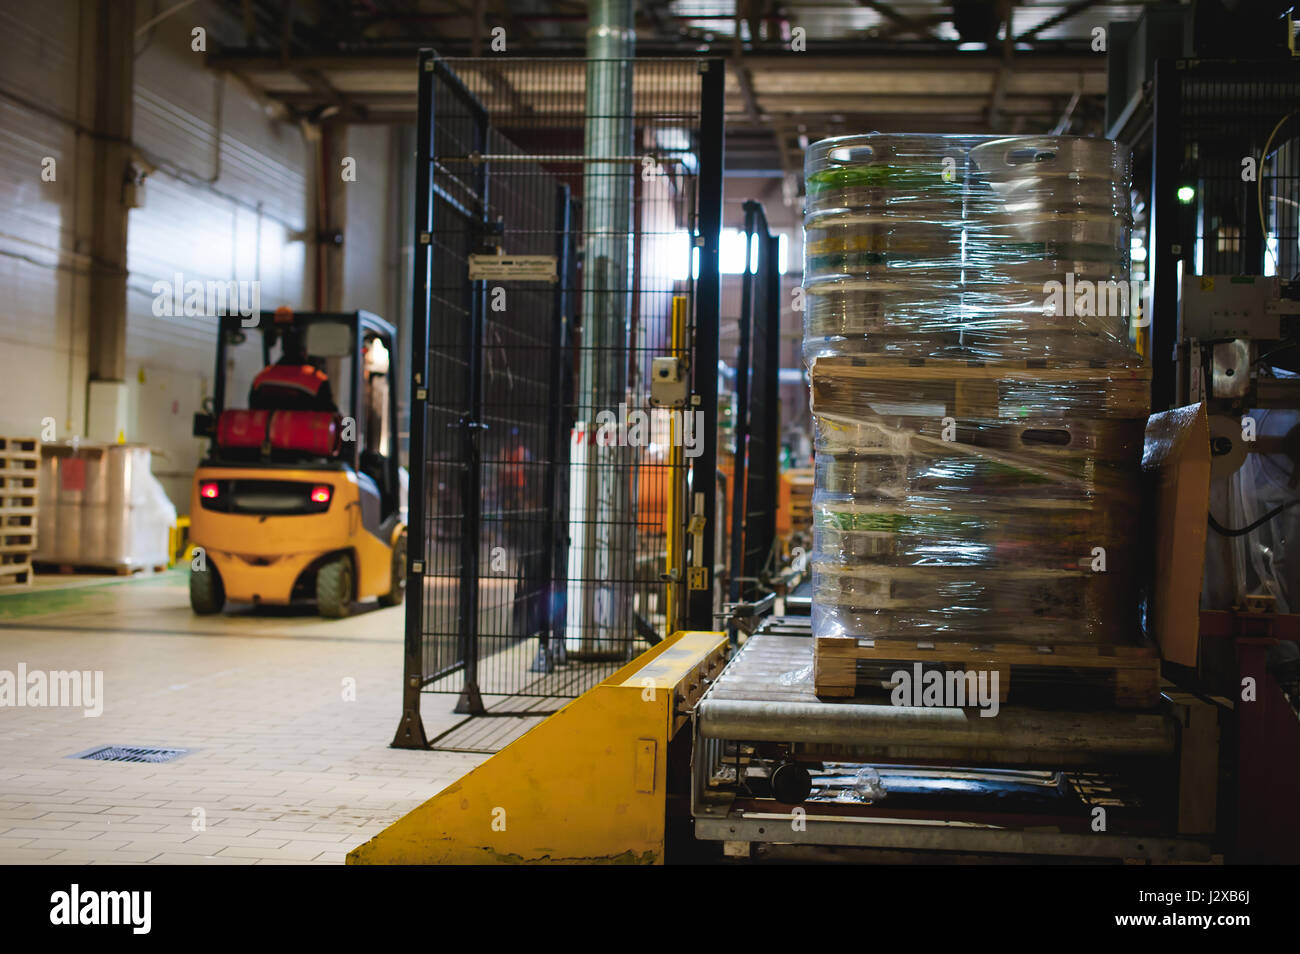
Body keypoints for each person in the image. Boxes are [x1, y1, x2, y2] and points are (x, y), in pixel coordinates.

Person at [248, 307, 337, 413]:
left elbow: (253, 412)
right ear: (305, 349)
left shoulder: (261, 379)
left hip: (268, 429)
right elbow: (330, 418)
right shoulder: (316, 381)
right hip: (302, 430)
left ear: (282, 347)